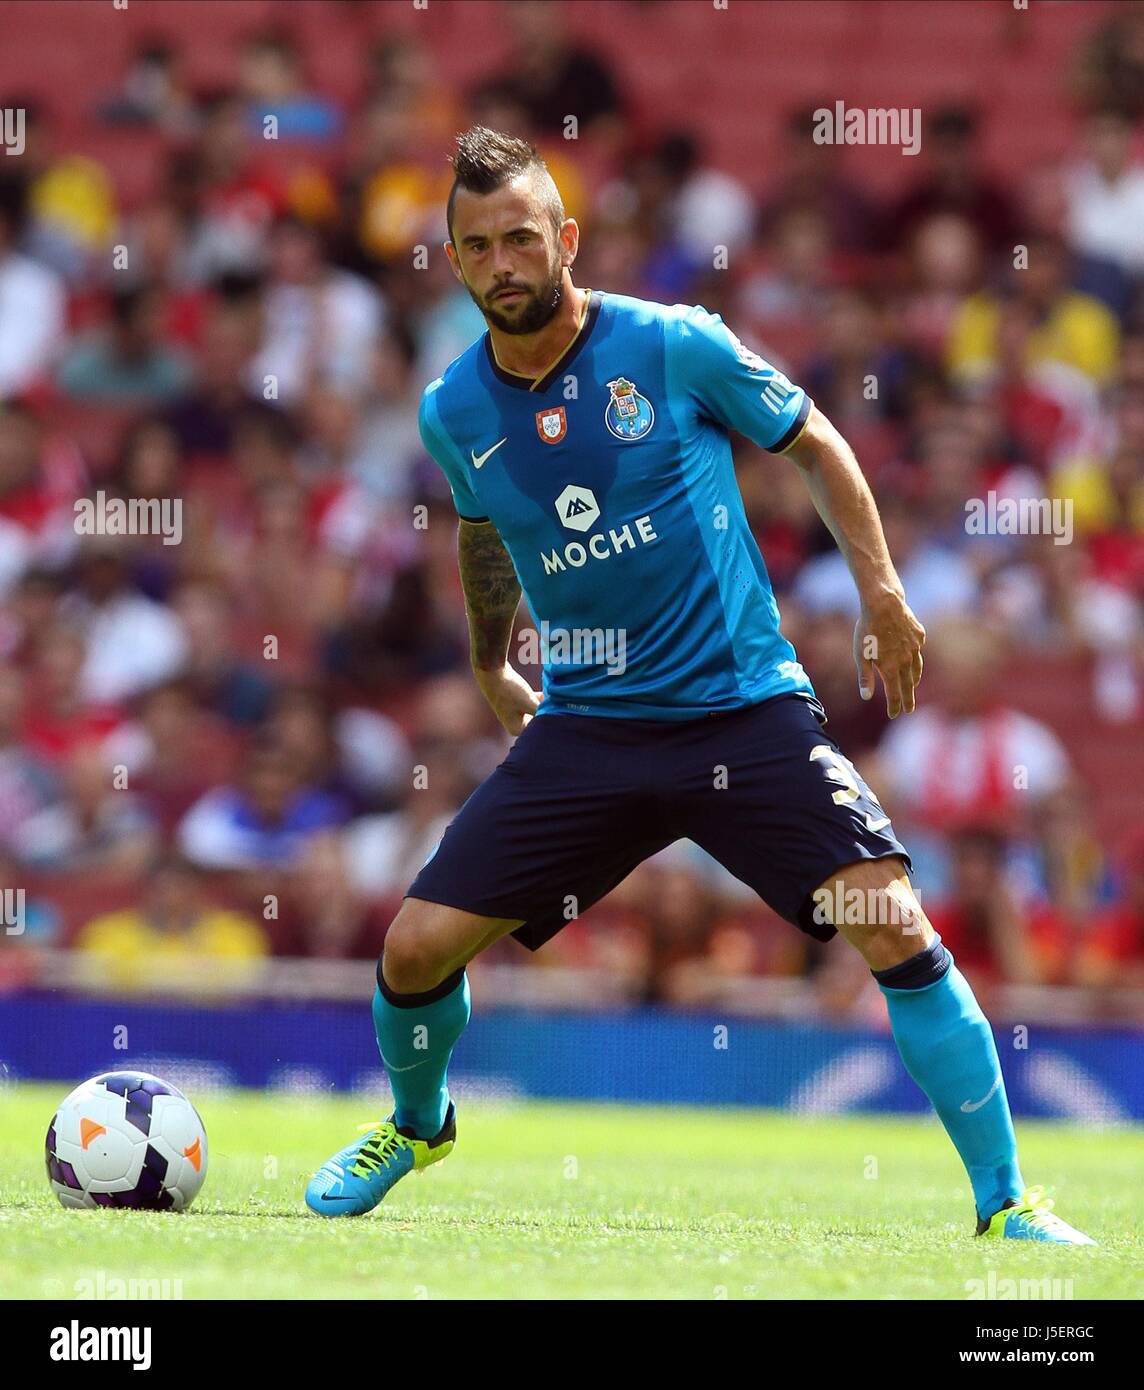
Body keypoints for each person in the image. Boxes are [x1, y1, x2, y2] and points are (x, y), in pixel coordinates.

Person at [305, 127, 1093, 1245]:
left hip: (740, 707)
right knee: (413, 949)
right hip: (588, 725)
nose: (503, 263)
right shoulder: (454, 410)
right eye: (477, 247)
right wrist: (490, 658)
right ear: (455, 260)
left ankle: (1006, 1200)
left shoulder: (672, 346)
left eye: (521, 237)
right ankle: (419, 1123)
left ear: (564, 239)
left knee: (888, 920)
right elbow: (482, 533)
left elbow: (814, 439)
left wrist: (881, 595)